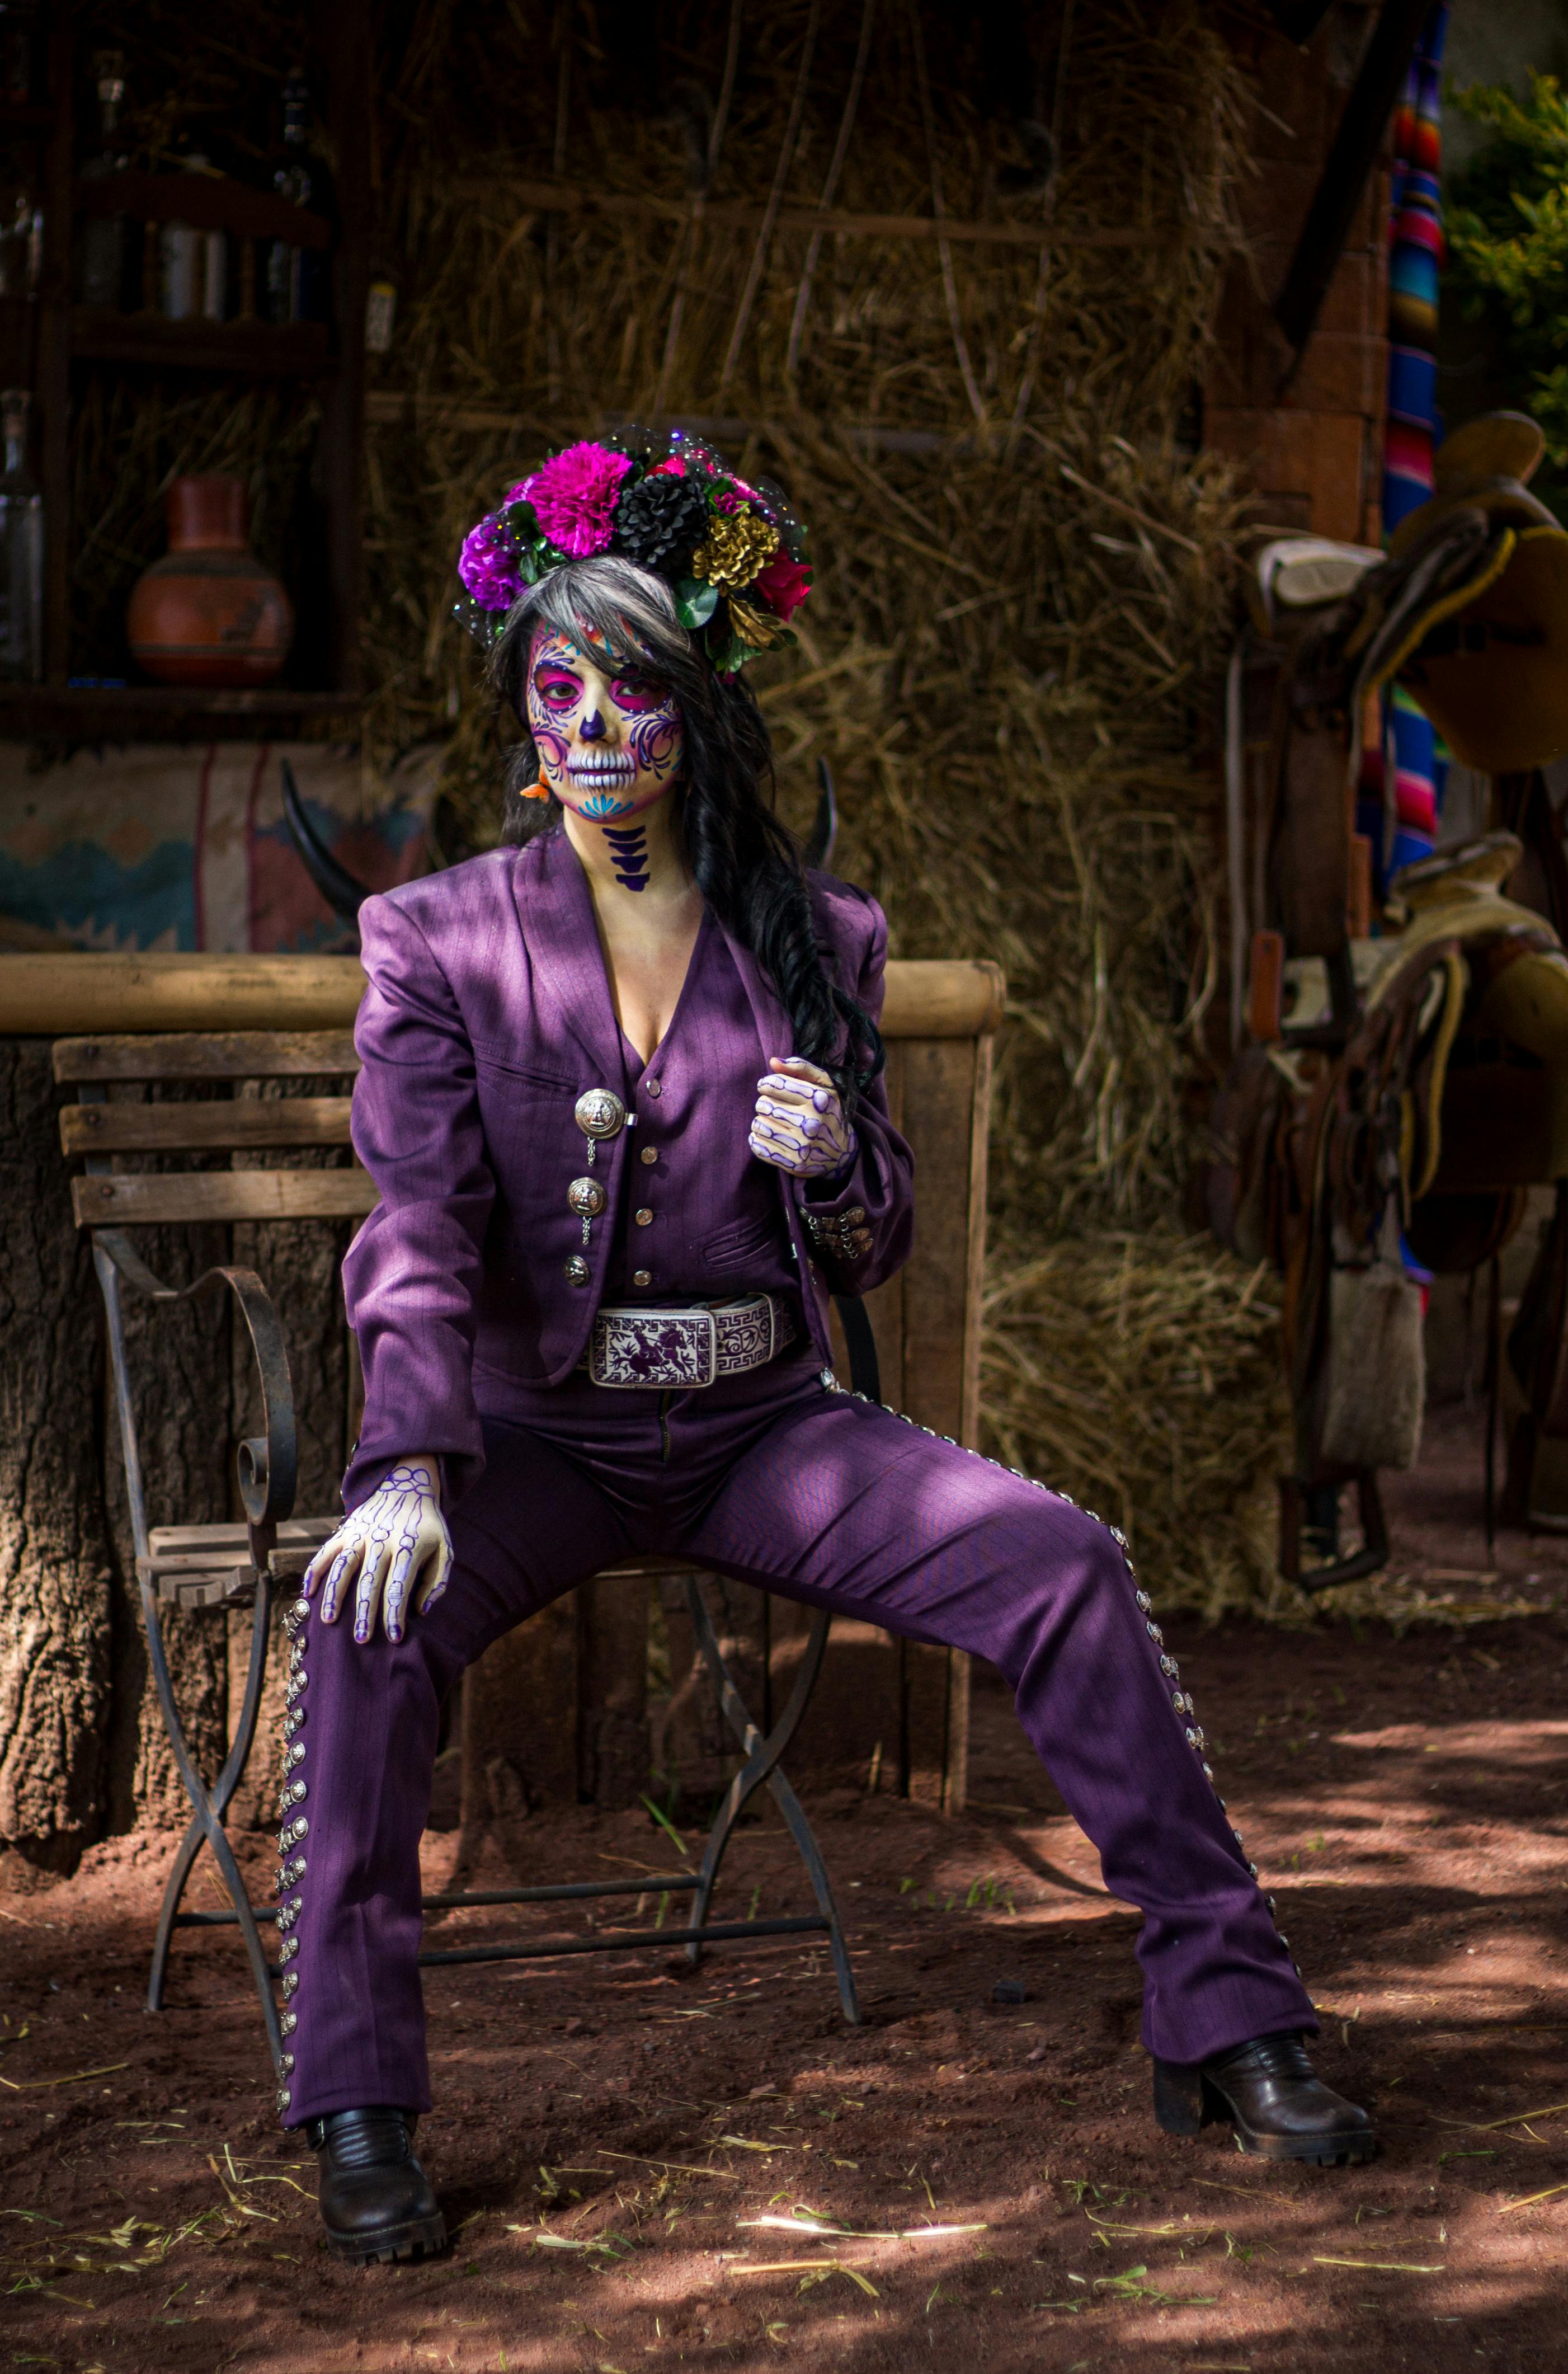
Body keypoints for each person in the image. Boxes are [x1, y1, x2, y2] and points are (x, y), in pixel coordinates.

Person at [280, 430, 1373, 2266]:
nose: (596, 728)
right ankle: (360, 2101)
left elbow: (878, 1239)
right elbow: (419, 1221)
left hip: (764, 1429)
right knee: (361, 1618)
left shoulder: (819, 933)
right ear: (523, 712)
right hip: (537, 1438)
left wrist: (838, 1160)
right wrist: (403, 1461)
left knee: (1067, 1561)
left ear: (700, 703)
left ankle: (1235, 2014)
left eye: (635, 689)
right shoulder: (439, 938)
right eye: (560, 690)